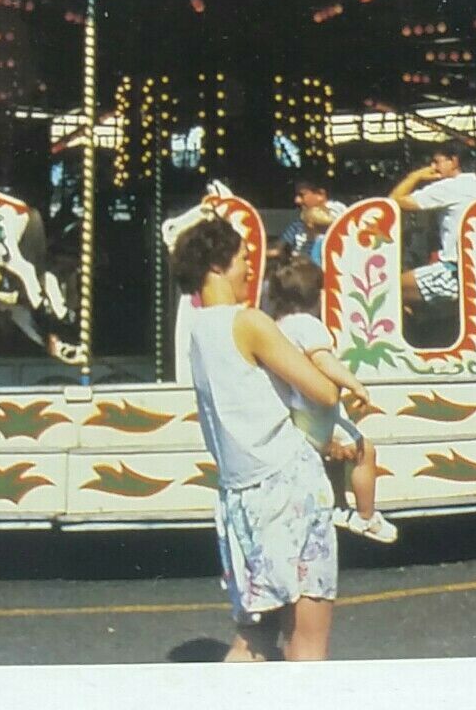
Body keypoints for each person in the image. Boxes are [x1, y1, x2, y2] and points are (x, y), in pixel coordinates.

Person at [172, 215, 341, 662]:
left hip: (239, 496)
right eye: (244, 259)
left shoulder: (198, 331)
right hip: (288, 484)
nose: (251, 269)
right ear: (217, 265)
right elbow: (323, 392)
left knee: (256, 640)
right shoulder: (249, 322)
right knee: (307, 641)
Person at [264, 259, 397, 544]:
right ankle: (366, 517)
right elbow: (323, 360)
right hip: (318, 409)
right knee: (365, 452)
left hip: (298, 412)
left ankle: (338, 506)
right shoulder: (308, 325)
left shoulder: (278, 326)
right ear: (314, 296)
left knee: (335, 457)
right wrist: (355, 385)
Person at [390, 139, 476, 309]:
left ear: (454, 161)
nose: (433, 167)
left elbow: (394, 201)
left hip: (453, 273)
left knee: (387, 289)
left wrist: (415, 176)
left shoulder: (447, 188)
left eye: (437, 161)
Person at [272, 176, 347, 265]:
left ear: (320, 194)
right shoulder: (300, 220)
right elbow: (281, 247)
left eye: (302, 195)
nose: (297, 200)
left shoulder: (341, 219)